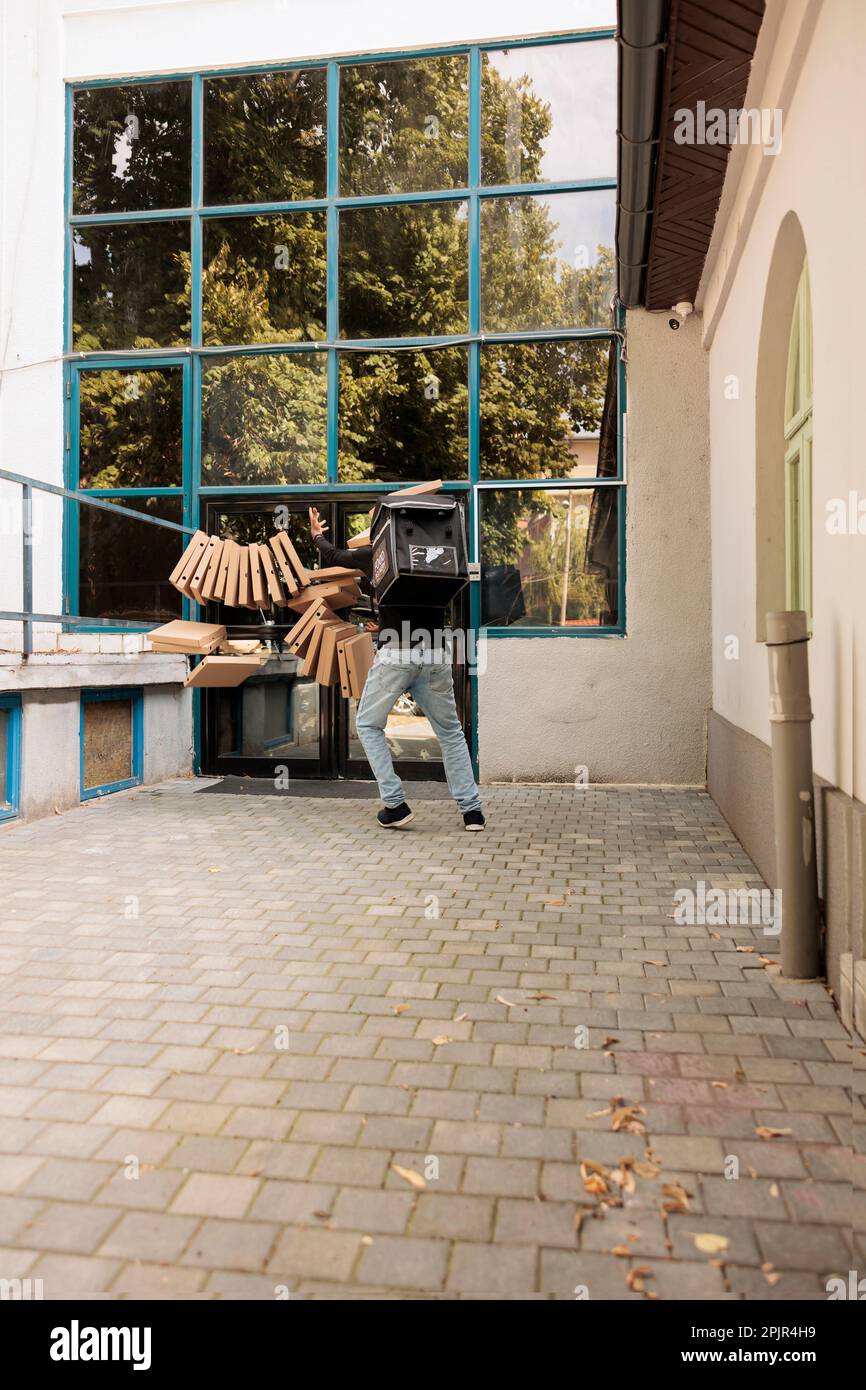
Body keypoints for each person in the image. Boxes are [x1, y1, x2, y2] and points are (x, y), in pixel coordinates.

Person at [308, 506, 485, 832]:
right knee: (450, 733)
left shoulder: (378, 551)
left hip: (397, 653)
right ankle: (472, 812)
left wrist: (317, 535)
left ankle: (395, 803)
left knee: (368, 724)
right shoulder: (439, 552)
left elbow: (334, 556)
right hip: (434, 652)